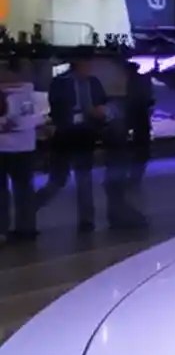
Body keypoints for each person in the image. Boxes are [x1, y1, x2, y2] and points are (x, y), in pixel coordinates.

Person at [39, 50, 111, 231]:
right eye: (86, 63)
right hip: (65, 134)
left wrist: (101, 113)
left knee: (84, 178)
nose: (89, 67)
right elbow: (56, 108)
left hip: (85, 134)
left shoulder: (93, 83)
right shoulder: (61, 82)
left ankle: (87, 221)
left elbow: (103, 103)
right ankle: (29, 208)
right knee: (57, 180)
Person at [0, 59, 41, 242]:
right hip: (21, 147)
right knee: (21, 190)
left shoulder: (27, 93)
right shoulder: (29, 93)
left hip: (17, 147)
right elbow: (36, 118)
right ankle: (24, 228)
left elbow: (34, 118)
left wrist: (12, 124)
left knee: (15, 190)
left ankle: (15, 229)